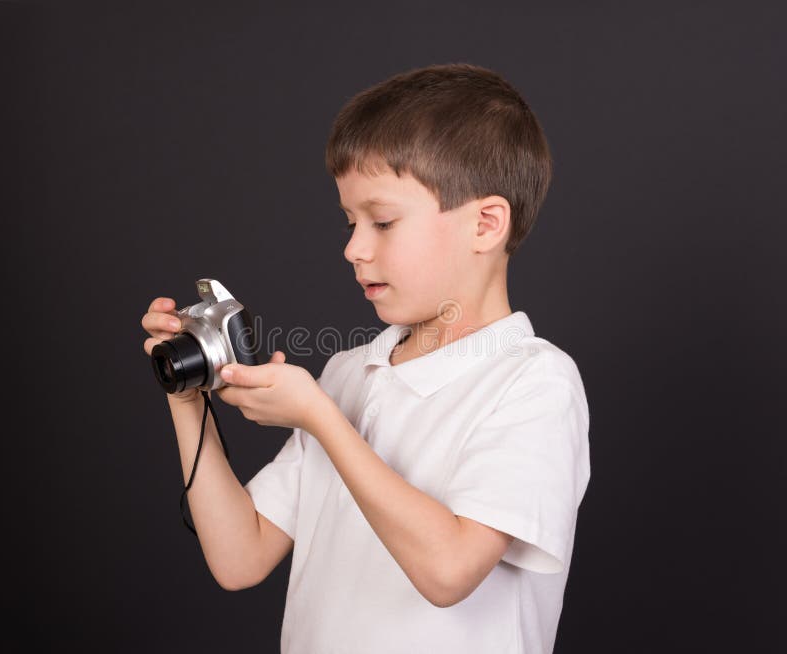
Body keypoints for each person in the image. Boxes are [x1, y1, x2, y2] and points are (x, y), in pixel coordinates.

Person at [141, 62, 591, 654]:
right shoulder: (347, 374)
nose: (353, 248)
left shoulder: (534, 382)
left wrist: (323, 421)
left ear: (485, 224)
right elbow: (239, 557)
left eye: (382, 221)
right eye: (350, 222)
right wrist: (188, 396)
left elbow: (450, 571)